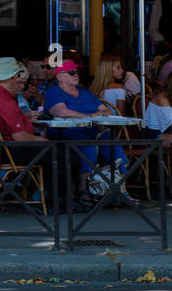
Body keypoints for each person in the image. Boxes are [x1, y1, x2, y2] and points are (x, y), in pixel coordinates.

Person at [43, 60, 126, 196]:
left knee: (111, 140)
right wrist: (90, 116)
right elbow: (61, 112)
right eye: (71, 73)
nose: (76, 75)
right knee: (88, 146)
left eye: (77, 72)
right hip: (65, 133)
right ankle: (84, 191)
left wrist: (91, 115)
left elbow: (108, 111)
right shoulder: (54, 92)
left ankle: (123, 189)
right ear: (60, 77)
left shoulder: (84, 92)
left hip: (92, 131)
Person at [0, 57, 46, 142]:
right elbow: (21, 138)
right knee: (58, 151)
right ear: (13, 77)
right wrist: (46, 142)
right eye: (17, 75)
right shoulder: (5, 101)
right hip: (14, 150)